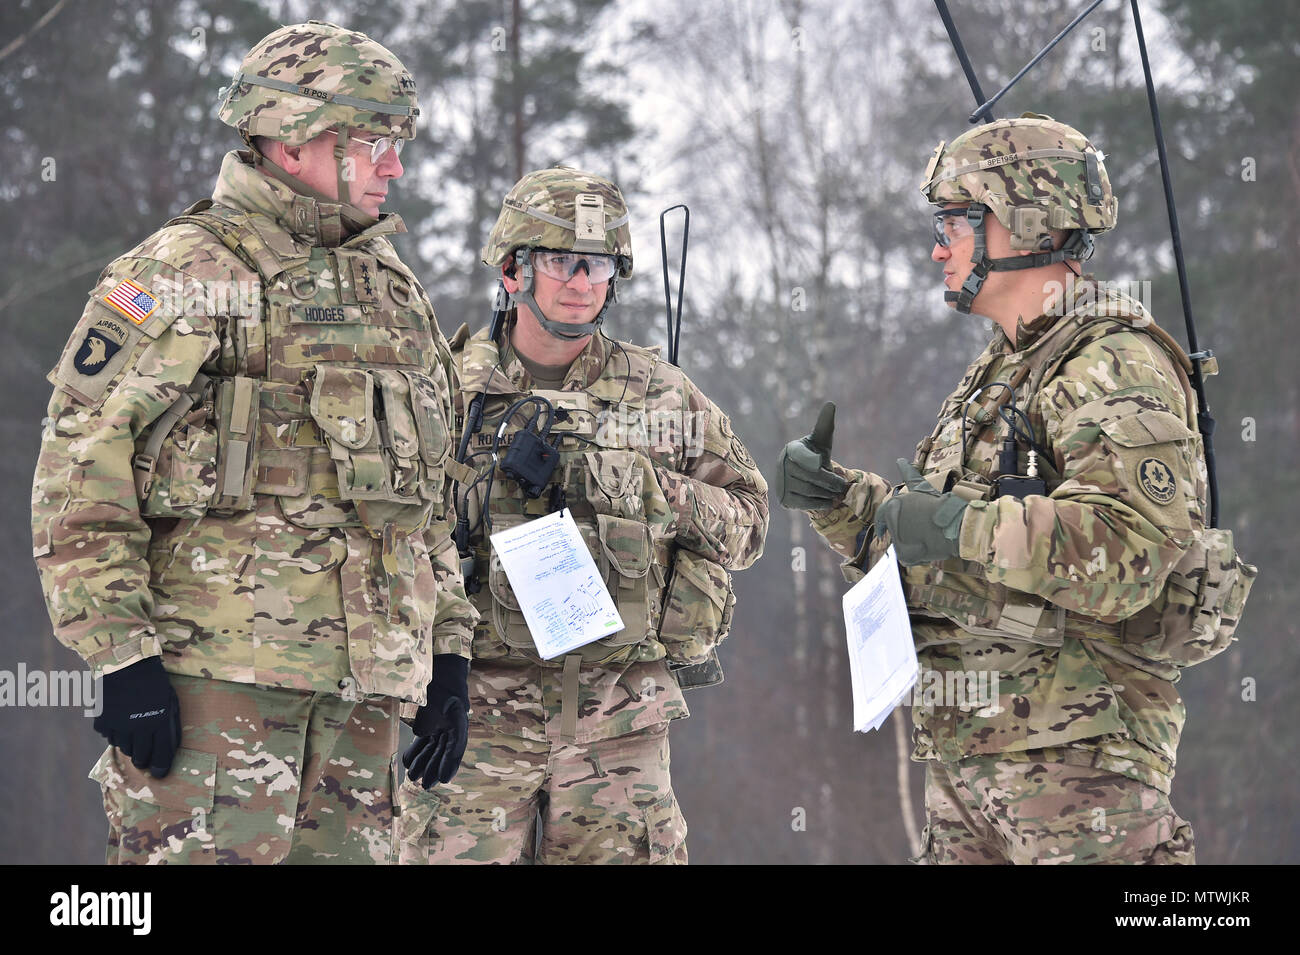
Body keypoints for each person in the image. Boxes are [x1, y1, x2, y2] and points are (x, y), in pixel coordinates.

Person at [31, 20, 475, 865]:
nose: (396, 164)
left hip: (367, 702)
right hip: (217, 691)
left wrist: (448, 652)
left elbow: (426, 502)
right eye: (374, 140)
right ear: (292, 138)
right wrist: (122, 656)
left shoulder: (396, 293)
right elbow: (78, 472)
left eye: (398, 141)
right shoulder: (183, 269)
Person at [776, 113, 1253, 864]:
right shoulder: (1001, 368)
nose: (938, 247)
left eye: (956, 222)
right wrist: (842, 501)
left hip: (1076, 764)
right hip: (972, 760)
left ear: (1024, 221)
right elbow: (941, 541)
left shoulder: (1110, 359)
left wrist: (961, 526)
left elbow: (1130, 552)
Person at [396, 166, 769, 864]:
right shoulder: (445, 390)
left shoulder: (660, 393)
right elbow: (396, 533)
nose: (580, 279)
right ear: (513, 271)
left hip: (618, 721)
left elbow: (748, 522)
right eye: (560, 260)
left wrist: (633, 483)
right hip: (473, 712)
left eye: (597, 264)